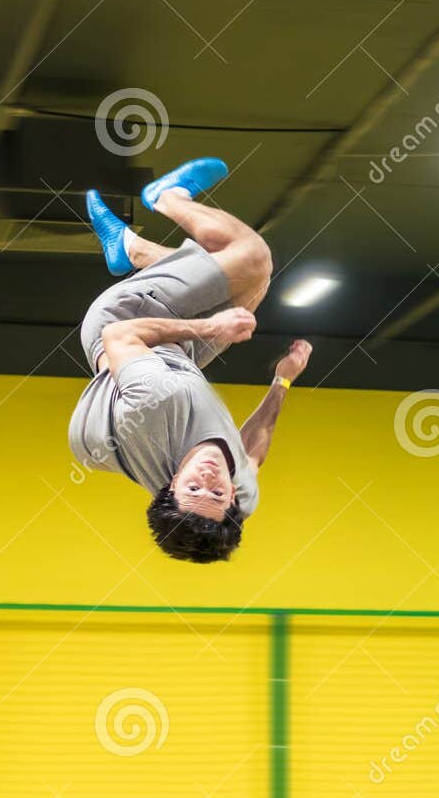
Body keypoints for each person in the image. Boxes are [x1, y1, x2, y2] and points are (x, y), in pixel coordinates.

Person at [69, 156, 312, 563]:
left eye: (193, 488)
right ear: (233, 498)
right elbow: (252, 452)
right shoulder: (238, 499)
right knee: (250, 293)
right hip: (175, 365)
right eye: (217, 492)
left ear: (170, 483)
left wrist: (211, 327)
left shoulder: (158, 402)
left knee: (252, 260)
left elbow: (120, 336)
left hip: (123, 327)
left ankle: (165, 197)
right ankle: (131, 250)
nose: (209, 479)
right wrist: (281, 382)